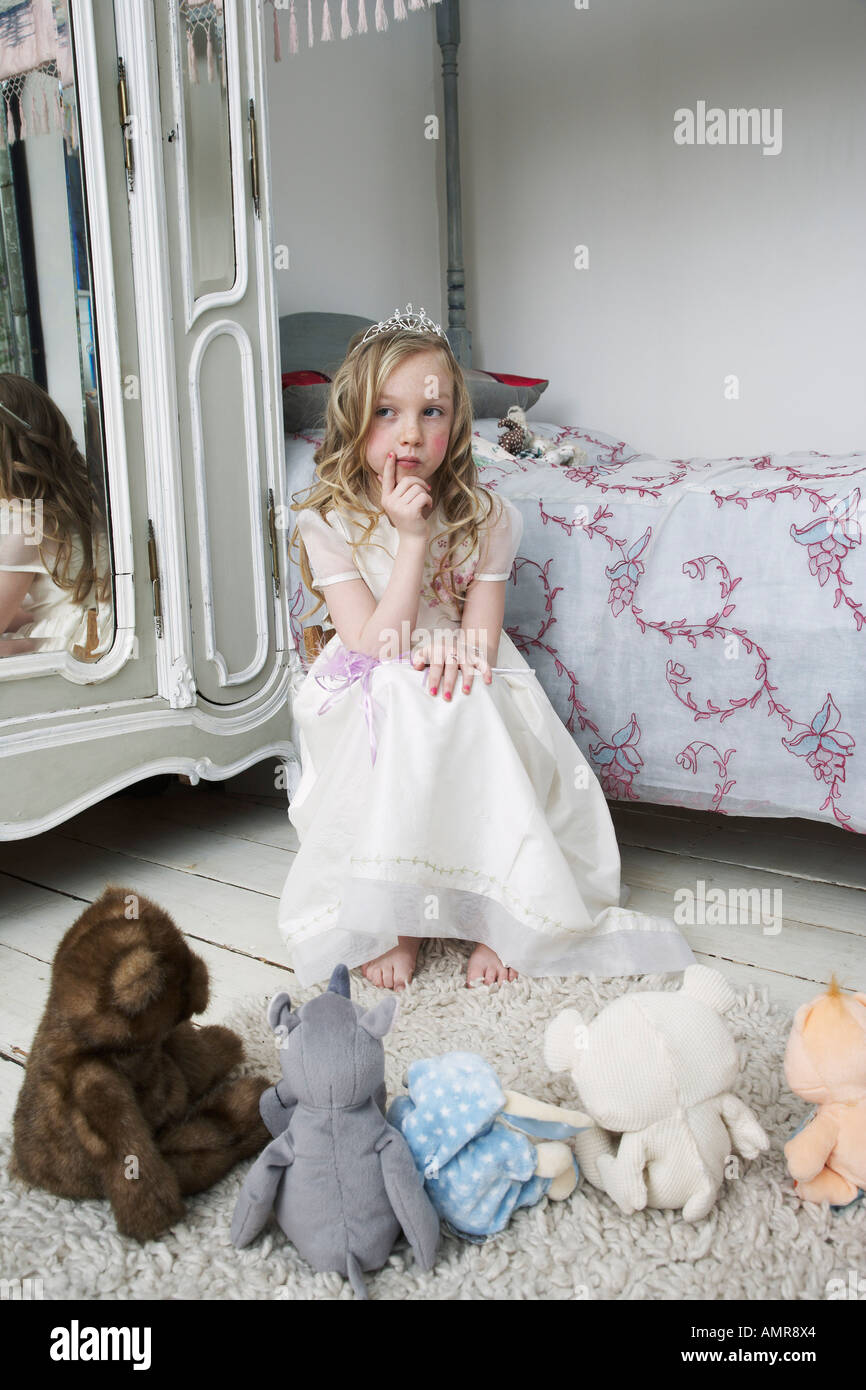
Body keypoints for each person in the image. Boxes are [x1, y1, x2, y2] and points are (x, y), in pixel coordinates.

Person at [281, 307, 693, 991]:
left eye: (432, 412)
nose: (411, 433)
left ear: (459, 423)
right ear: (353, 418)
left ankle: (496, 914)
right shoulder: (328, 519)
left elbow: (480, 635)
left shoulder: (490, 516)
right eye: (386, 411)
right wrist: (410, 539)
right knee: (402, 692)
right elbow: (374, 645)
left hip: (470, 668)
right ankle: (397, 916)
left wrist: (457, 658)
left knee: (455, 696)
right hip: (368, 683)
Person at [0, 374, 112, 659]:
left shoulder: (29, 525)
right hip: (97, 628)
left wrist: (28, 643)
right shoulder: (86, 494)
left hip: (73, 646)